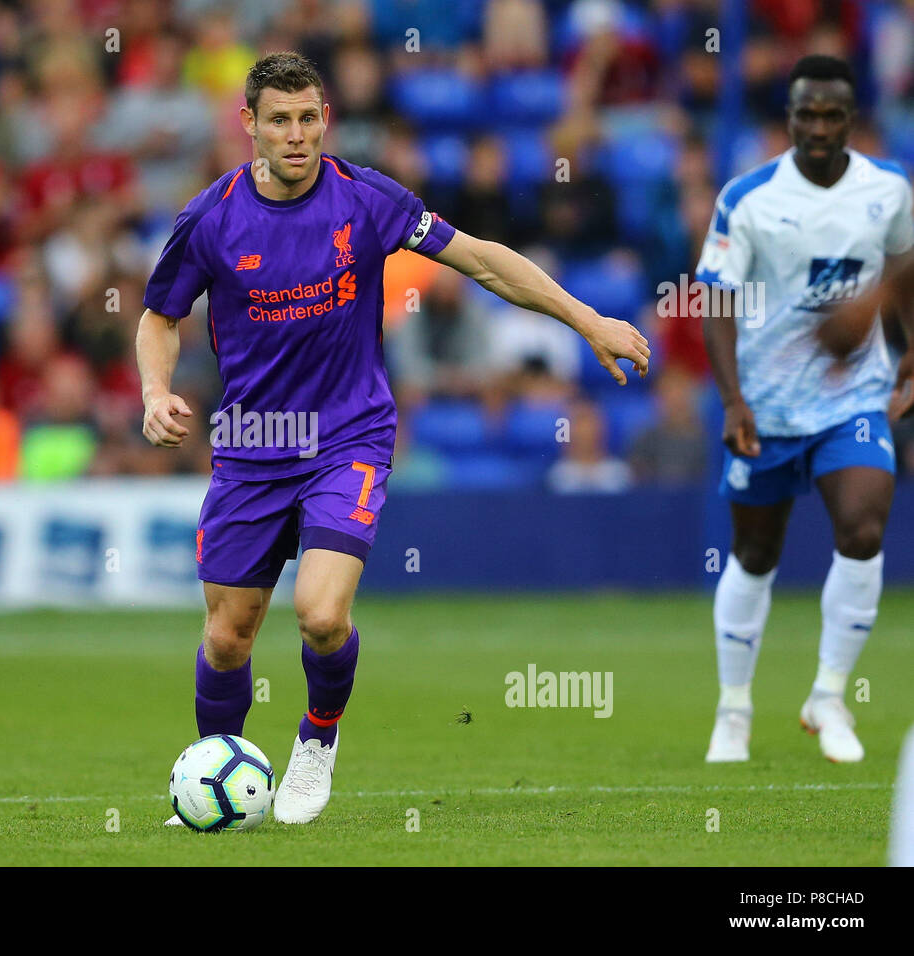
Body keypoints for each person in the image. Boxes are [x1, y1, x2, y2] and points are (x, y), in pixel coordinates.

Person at [135, 52, 649, 826]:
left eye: (309, 118)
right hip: (250, 446)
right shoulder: (210, 219)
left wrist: (588, 319)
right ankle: (217, 769)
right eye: (280, 120)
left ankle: (318, 740)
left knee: (319, 613)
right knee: (228, 632)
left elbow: (481, 261)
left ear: (324, 120)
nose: (297, 134)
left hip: (349, 437)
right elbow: (159, 317)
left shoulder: (365, 199)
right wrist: (154, 390)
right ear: (250, 125)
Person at [698, 55, 914, 764]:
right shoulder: (749, 198)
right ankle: (734, 708)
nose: (818, 127)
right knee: (756, 552)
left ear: (852, 120)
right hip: (766, 401)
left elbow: (905, 267)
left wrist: (910, 349)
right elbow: (717, 302)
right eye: (805, 114)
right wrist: (732, 399)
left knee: (861, 529)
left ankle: (828, 695)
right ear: (787, 118)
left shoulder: (889, 190)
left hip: (853, 396)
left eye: (832, 115)